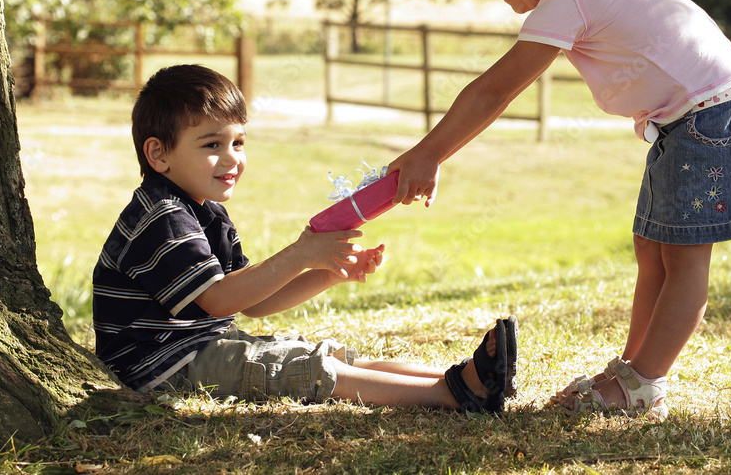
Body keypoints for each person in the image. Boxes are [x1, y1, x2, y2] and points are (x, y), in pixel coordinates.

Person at [388, 0, 731, 420]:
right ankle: (628, 372)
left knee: (682, 259)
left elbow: (495, 89)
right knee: (651, 249)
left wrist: (429, 152)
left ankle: (643, 383)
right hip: (691, 123)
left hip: (713, 123)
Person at [92, 64, 518, 413]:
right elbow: (220, 300)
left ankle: (465, 375)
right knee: (302, 368)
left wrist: (328, 272)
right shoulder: (161, 216)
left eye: (238, 142)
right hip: (159, 365)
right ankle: (456, 394)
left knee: (329, 356)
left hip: (199, 348)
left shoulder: (205, 211)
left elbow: (253, 301)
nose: (232, 159)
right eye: (211, 144)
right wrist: (300, 253)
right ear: (158, 154)